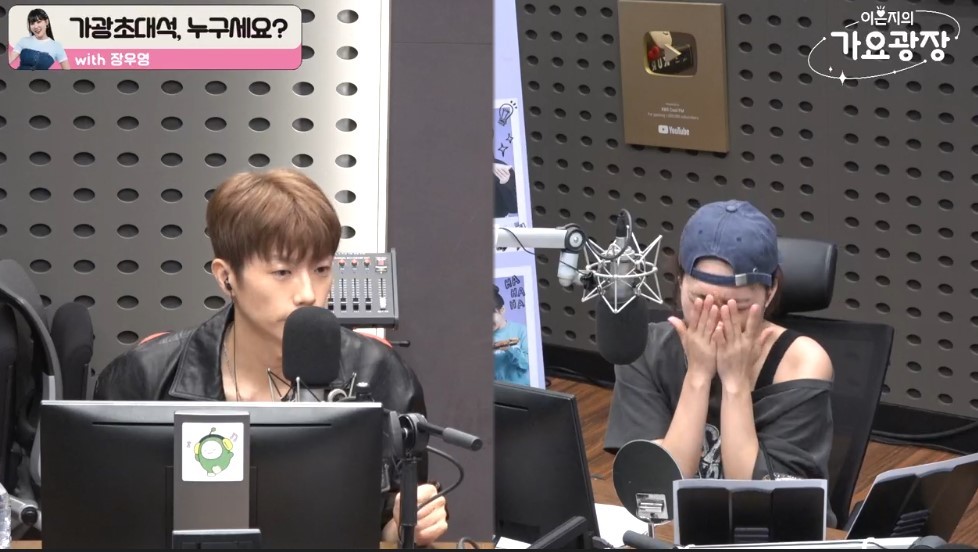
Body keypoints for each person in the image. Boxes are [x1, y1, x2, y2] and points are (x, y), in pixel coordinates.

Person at [94, 168, 448, 545]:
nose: (308, 293)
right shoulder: (143, 378)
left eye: (322, 269)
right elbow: (104, 519)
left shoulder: (379, 372)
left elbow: (389, 519)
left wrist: (401, 527)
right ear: (226, 277)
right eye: (282, 272)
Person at [603, 200, 835, 518]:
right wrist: (698, 376)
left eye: (738, 305)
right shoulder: (645, 349)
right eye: (700, 299)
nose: (716, 318)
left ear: (769, 292)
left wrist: (734, 382)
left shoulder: (801, 362)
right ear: (680, 282)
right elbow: (659, 493)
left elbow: (758, 504)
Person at [492, 285, 530, 385]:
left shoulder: (521, 330)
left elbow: (526, 364)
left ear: (502, 310)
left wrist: (509, 348)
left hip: (520, 388)